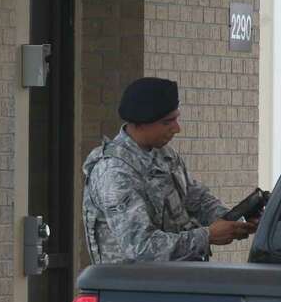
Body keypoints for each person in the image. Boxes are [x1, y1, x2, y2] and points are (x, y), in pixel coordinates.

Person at [82, 77, 257, 265]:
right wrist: (207, 236)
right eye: (167, 122)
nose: (177, 128)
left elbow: (197, 200)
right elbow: (142, 247)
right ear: (141, 123)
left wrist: (235, 221)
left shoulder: (165, 155)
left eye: (176, 119)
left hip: (174, 283)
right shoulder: (114, 173)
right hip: (133, 289)